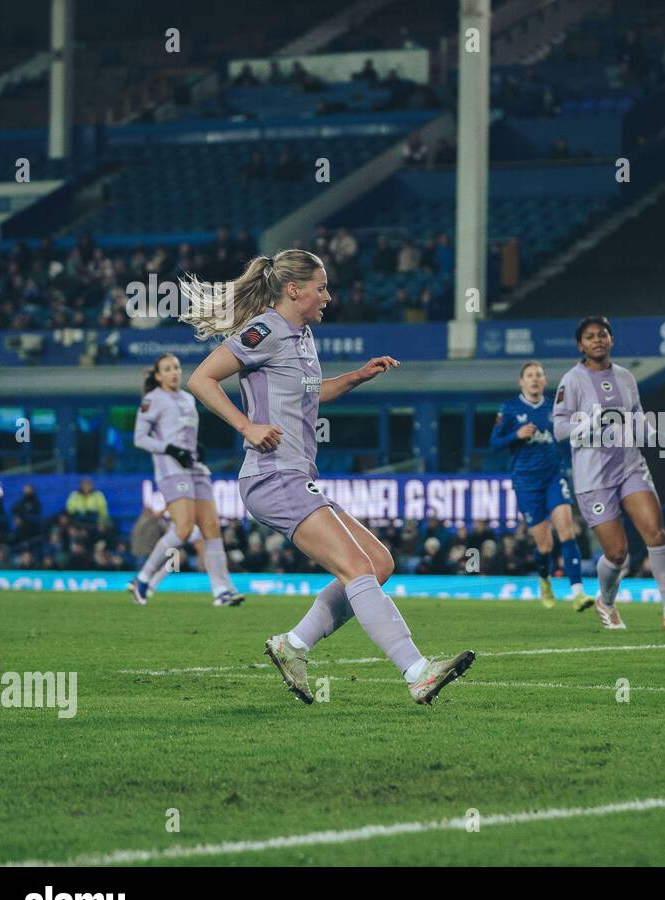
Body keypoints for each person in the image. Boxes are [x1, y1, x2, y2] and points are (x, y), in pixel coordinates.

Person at [183, 248, 473, 706]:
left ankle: (292, 645)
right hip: (272, 475)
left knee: (378, 564)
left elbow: (312, 396)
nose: (328, 296)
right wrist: (247, 426)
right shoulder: (266, 331)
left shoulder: (302, 337)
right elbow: (200, 379)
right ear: (294, 290)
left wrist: (358, 376)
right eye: (321, 287)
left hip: (297, 476)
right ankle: (418, 672)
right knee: (357, 568)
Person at [552, 315, 665, 631]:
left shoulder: (626, 377)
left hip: (631, 466)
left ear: (611, 340)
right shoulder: (571, 381)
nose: (597, 340)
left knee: (657, 534)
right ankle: (605, 602)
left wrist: (651, 433)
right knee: (617, 554)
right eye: (590, 336)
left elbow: (636, 417)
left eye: (602, 335)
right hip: (593, 478)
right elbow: (559, 429)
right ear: (580, 345)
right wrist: (590, 423)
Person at [128, 353, 245, 607]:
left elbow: (184, 435)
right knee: (183, 528)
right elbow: (140, 438)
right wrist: (170, 449)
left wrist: (195, 447)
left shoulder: (188, 399)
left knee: (211, 528)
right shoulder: (151, 400)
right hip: (172, 471)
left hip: (195, 468)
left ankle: (222, 590)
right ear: (158, 376)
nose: (174, 372)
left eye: (177, 367)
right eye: (168, 369)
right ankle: (143, 577)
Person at [490, 361, 593, 612]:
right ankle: (545, 579)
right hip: (526, 481)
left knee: (567, 531)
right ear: (521, 382)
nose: (535, 379)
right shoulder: (510, 408)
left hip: (553, 476)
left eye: (539, 375)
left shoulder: (555, 408)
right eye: (529, 375)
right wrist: (517, 435)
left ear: (545, 381)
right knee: (544, 545)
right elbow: (494, 443)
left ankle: (577, 592)